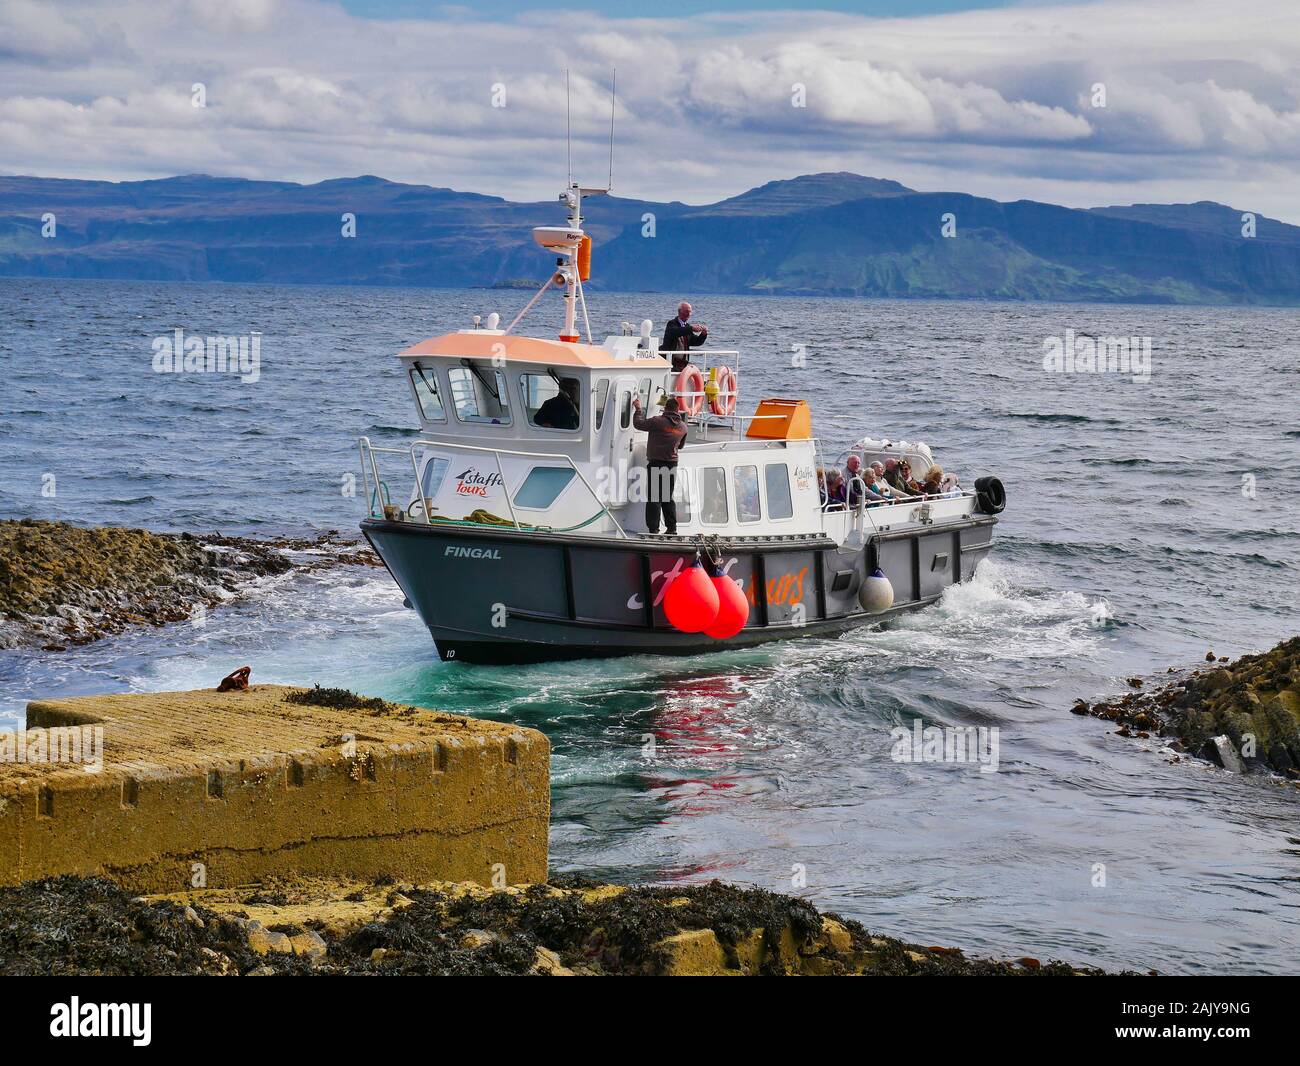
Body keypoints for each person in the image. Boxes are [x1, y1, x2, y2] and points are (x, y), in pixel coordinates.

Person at [632, 394, 688, 534]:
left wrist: (638, 409)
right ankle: (672, 528)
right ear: (677, 409)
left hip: (656, 463)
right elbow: (680, 446)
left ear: (665, 408)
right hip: (672, 464)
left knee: (654, 497)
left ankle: (654, 529)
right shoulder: (683, 427)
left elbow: (638, 424)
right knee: (667, 497)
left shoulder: (658, 421)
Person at [662, 301, 708, 372]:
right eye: (686, 311)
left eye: (690, 312)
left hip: (683, 363)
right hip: (671, 362)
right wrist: (691, 328)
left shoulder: (687, 326)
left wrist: (703, 334)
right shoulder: (671, 324)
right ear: (679, 312)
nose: (689, 314)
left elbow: (696, 342)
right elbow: (676, 331)